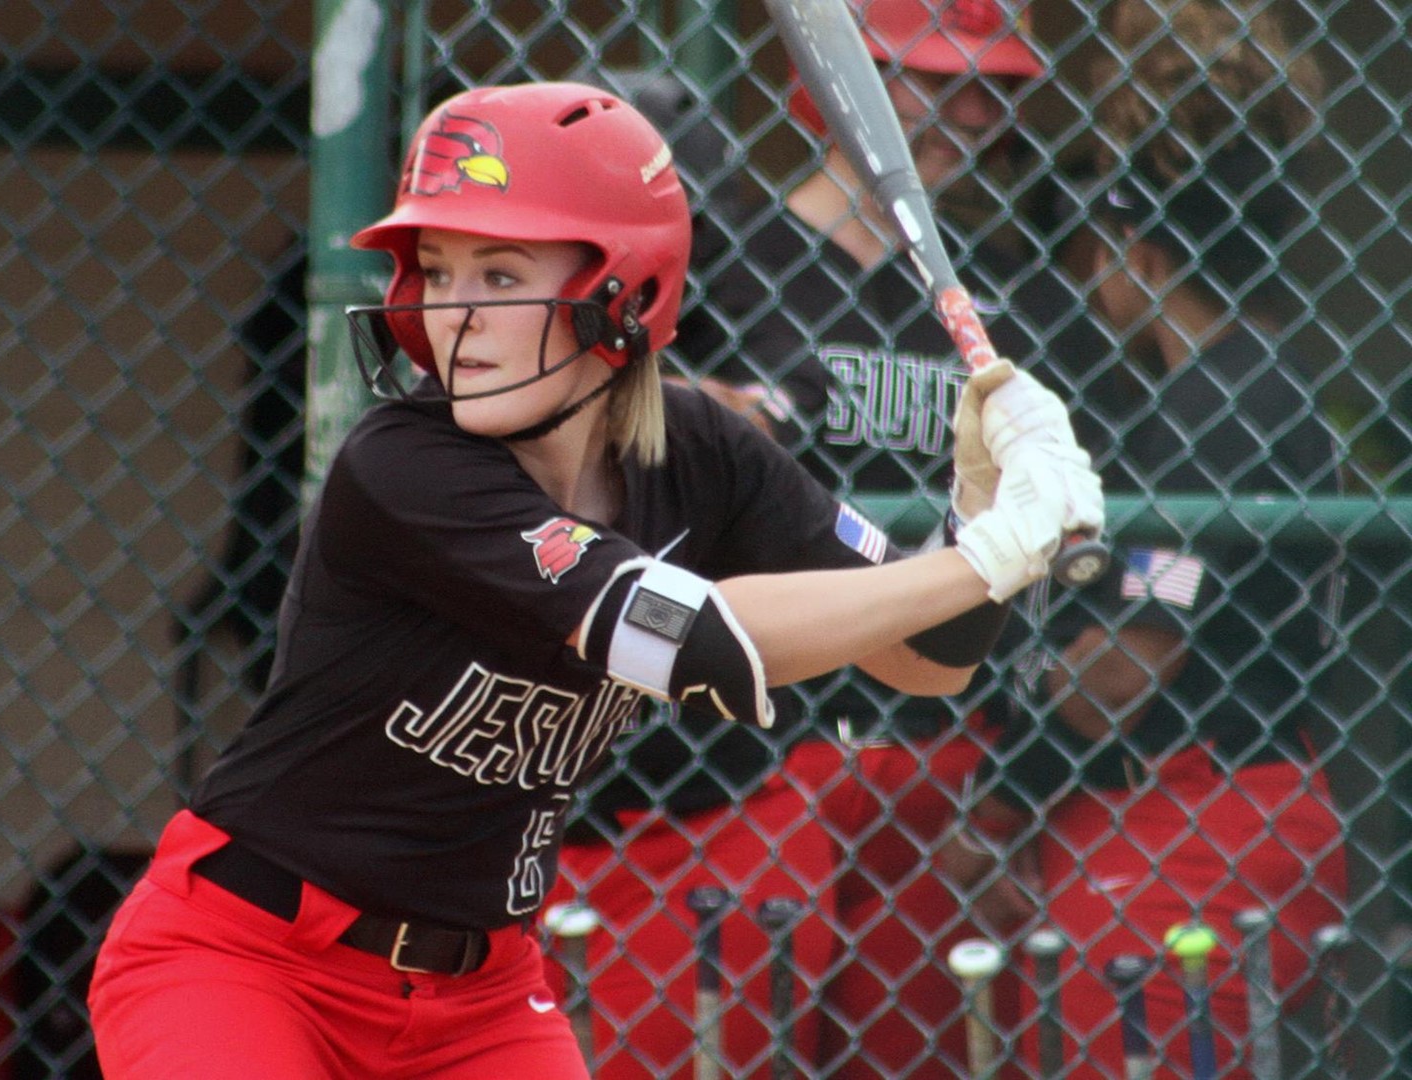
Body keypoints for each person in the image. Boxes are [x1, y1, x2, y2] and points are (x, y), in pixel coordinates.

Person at [85, 79, 1102, 1078]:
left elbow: (930, 664)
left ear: (625, 286)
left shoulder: (700, 453)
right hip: (249, 956)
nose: (455, 317)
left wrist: (976, 503)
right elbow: (693, 638)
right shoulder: (406, 463)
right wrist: (984, 556)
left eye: (498, 276)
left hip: (479, 998)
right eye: (438, 273)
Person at [546, 2, 1099, 1076]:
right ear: (836, 81)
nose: (970, 113)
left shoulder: (1012, 299)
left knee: (914, 1054)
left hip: (939, 746)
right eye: (933, 82)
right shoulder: (728, 260)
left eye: (994, 88)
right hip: (747, 741)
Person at [934, 2, 1349, 1076]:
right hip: (1187, 801)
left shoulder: (1222, 406)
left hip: (1200, 807)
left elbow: (1132, 652)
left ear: (1143, 250)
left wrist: (1003, 803)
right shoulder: (1240, 387)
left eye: (1100, 242)